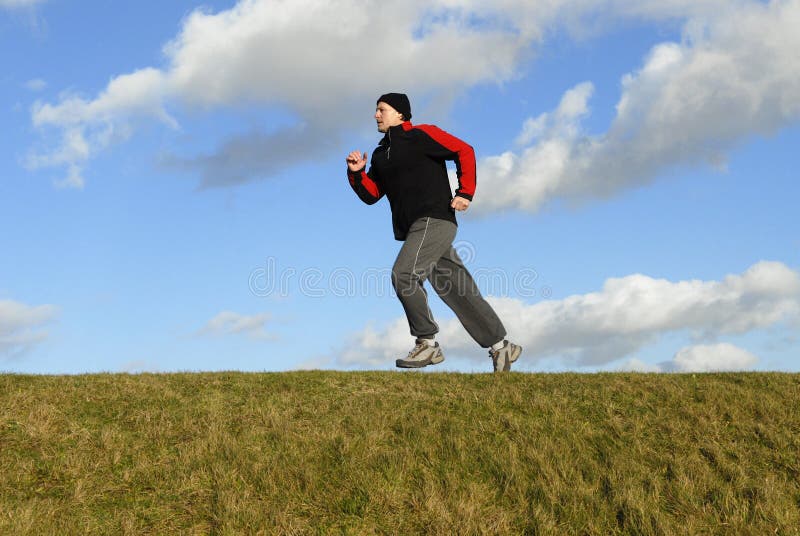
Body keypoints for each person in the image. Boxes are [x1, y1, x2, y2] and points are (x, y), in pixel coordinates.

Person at [345, 92, 522, 372]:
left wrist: (465, 192)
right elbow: (372, 194)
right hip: (416, 229)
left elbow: (464, 151)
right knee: (458, 289)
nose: (376, 115)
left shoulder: (422, 135)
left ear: (401, 113)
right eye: (376, 110)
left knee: (403, 274)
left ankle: (427, 343)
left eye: (382, 110)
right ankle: (502, 347)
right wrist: (357, 173)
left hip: (435, 220)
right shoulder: (380, 155)